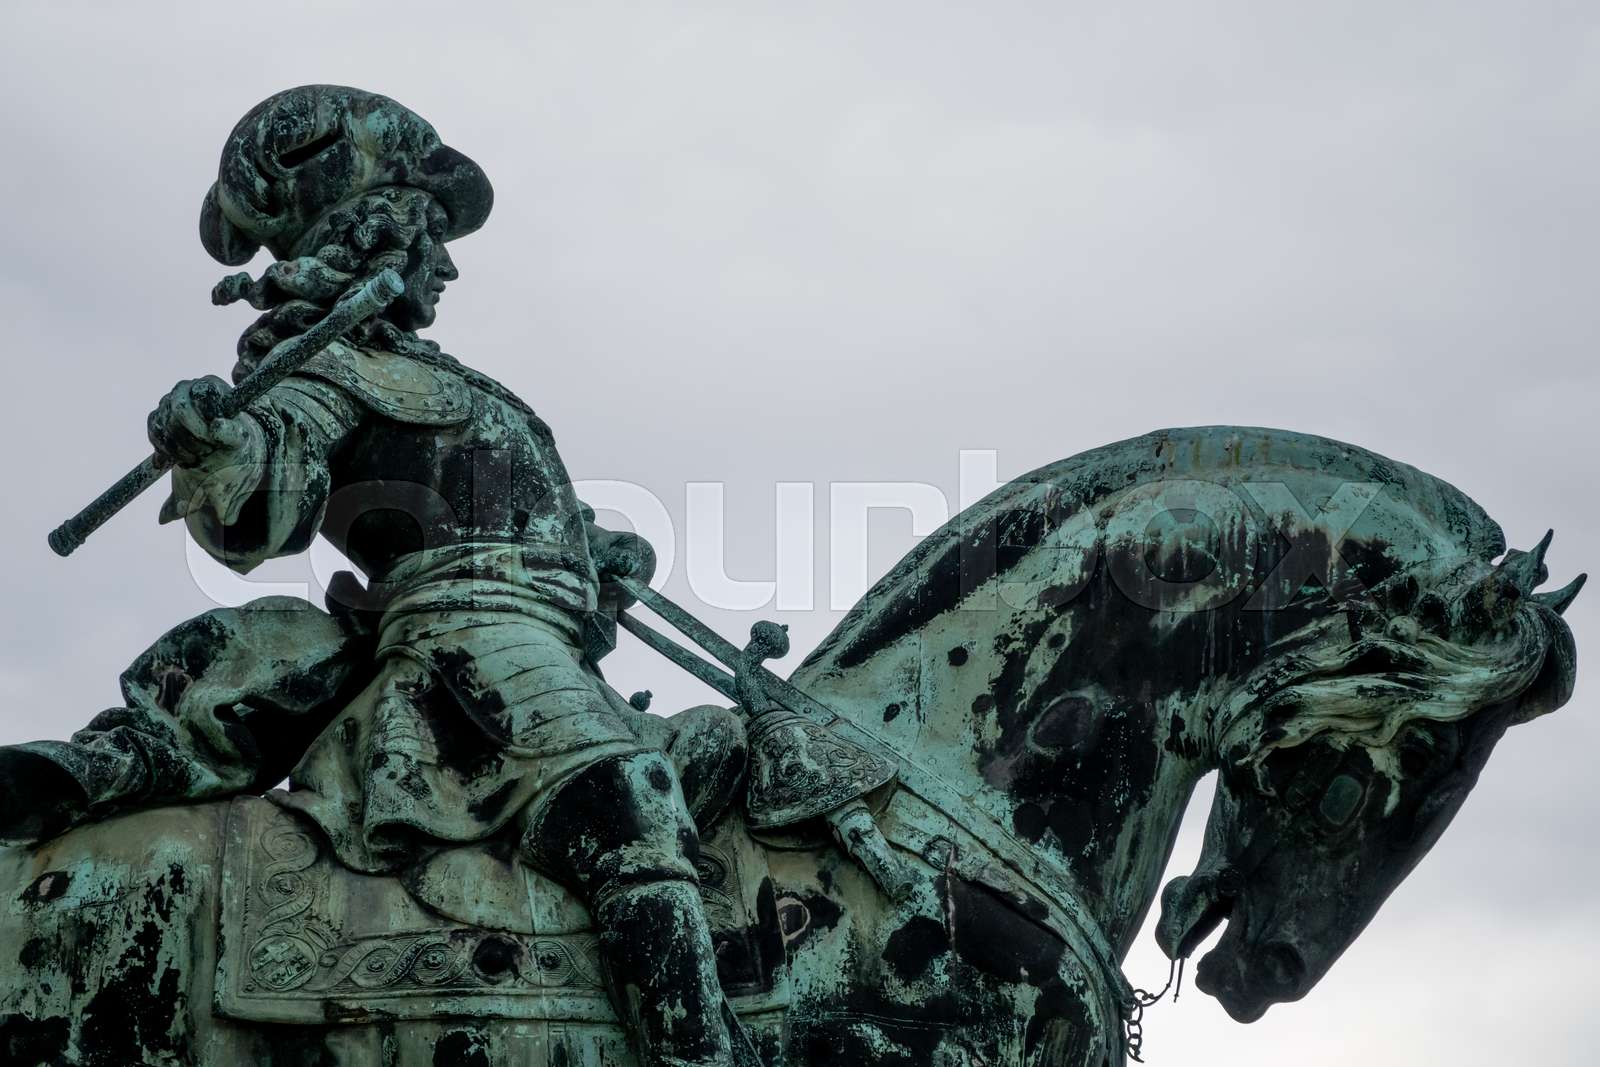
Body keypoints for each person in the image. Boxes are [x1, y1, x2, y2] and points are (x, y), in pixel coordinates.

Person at [4, 85, 741, 1067]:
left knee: (742, 771)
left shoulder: (439, 374)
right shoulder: (329, 365)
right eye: (430, 231)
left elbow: (496, 505)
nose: (442, 260)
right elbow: (262, 502)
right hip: (470, 652)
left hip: (546, 641)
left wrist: (587, 558)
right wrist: (218, 442)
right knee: (630, 800)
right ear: (372, 226)